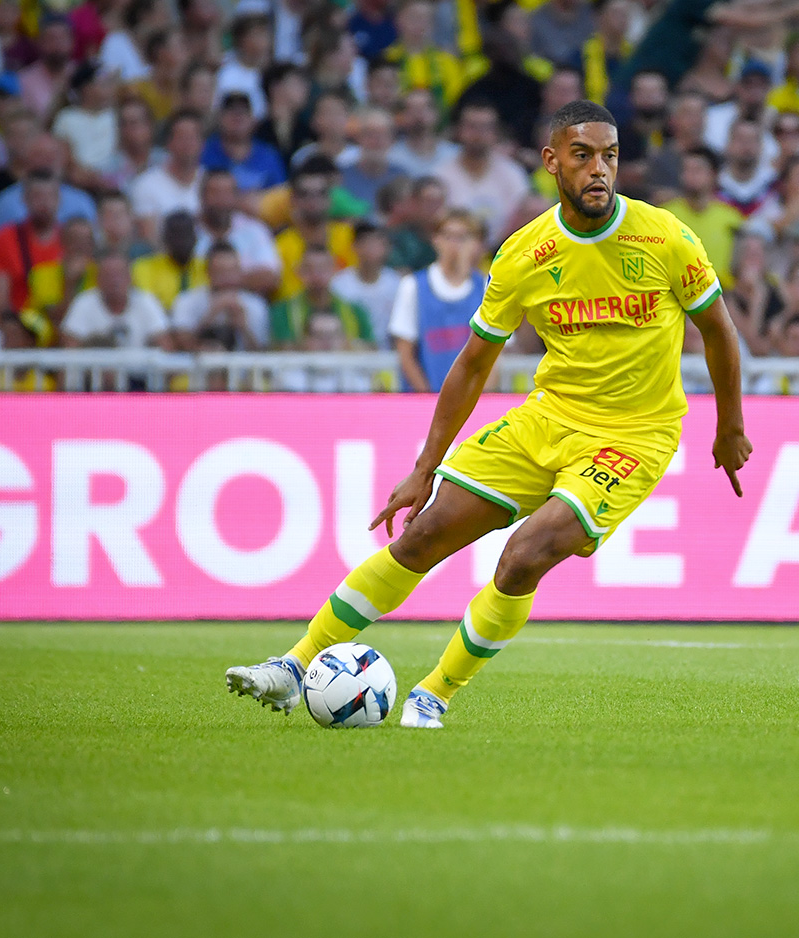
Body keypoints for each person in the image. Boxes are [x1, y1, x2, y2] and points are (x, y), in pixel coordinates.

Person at [225, 100, 751, 729]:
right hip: (547, 418)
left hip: (634, 435)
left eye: (609, 156)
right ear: (551, 161)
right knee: (422, 534)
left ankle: (435, 692)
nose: (599, 170)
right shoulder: (524, 254)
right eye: (582, 156)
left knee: (525, 554)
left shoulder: (664, 236)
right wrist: (426, 467)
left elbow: (718, 331)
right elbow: (472, 364)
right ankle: (293, 665)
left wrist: (729, 426)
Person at [388, 209, 487, 392]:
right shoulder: (413, 286)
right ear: (436, 239)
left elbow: (493, 357)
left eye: (463, 237)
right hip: (423, 399)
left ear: (476, 243)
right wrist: (428, 399)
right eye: (449, 236)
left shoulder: (485, 288)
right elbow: (405, 355)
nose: (455, 245)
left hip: (472, 401)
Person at [436, 102, 532, 249]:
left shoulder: (512, 173)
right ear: (459, 130)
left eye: (485, 127)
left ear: (495, 133)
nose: (478, 134)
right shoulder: (441, 175)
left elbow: (524, 219)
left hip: (505, 253)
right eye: (472, 126)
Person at [0, 169, 65, 318]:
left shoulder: (71, 239)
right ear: (24, 199)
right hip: (21, 333)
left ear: (59, 199)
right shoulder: (4, 239)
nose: (44, 203)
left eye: (50, 196)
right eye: (37, 196)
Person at [274, 157, 358, 301]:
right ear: (293, 199)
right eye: (304, 193)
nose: (313, 200)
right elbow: (285, 295)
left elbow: (358, 285)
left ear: (330, 199)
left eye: (321, 193)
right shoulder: (281, 245)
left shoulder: (349, 235)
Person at [661, 148, 744, 291]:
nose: (691, 175)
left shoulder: (731, 218)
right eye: (687, 170)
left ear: (714, 175)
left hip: (723, 294)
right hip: (677, 293)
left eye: (698, 170)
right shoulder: (665, 215)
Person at [60, 248, 172, 352]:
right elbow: (69, 349)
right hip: (94, 372)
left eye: (119, 275)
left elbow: (165, 347)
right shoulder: (84, 302)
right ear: (97, 279)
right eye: (108, 275)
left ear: (130, 278)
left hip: (138, 371)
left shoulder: (146, 301)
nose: (114, 281)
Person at [269, 243, 375, 349]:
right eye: (309, 269)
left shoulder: (356, 311)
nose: (316, 275)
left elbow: (373, 348)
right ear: (299, 272)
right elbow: (280, 350)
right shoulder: (282, 311)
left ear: (335, 270)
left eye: (323, 269)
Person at [194, 169, 280, 296]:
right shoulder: (188, 231)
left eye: (227, 193)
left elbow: (270, 277)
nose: (222, 200)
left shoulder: (254, 229)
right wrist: (241, 278)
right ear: (201, 196)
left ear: (236, 197)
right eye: (215, 193)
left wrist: (219, 281)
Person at [170, 242, 269, 351]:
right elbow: (179, 347)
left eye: (232, 271)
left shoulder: (255, 304)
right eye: (221, 272)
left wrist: (244, 328)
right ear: (208, 272)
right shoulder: (187, 300)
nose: (227, 278)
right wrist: (211, 315)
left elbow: (262, 353)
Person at [129, 110, 204, 243]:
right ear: (169, 143)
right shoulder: (145, 184)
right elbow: (149, 239)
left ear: (202, 143)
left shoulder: (211, 182)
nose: (188, 144)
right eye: (182, 137)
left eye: (193, 137)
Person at [200, 91, 288, 194]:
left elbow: (280, 195)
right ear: (220, 118)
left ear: (253, 120)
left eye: (243, 112)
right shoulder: (203, 151)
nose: (237, 116)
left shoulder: (269, 155)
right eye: (231, 111)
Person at [331, 221, 399, 346]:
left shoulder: (396, 283)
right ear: (354, 246)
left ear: (387, 247)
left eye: (377, 243)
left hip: (389, 354)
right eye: (366, 243)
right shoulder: (339, 284)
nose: (372, 248)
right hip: (353, 352)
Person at [132, 210, 208, 310]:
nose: (182, 241)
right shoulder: (144, 267)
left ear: (195, 238)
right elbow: (147, 305)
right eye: (177, 235)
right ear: (165, 238)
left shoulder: (207, 267)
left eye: (186, 234)